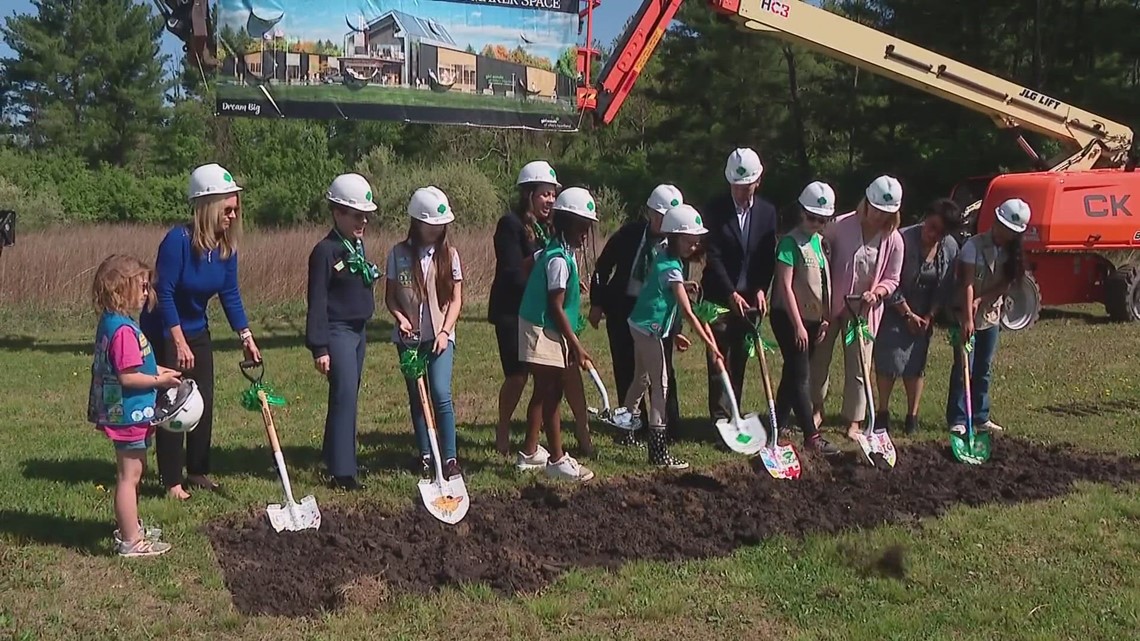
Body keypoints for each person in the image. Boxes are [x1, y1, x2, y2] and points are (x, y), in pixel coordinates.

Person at [141, 163, 262, 501]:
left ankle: (197, 470)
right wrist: (177, 341)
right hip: (164, 329)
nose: (234, 216)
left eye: (236, 209)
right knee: (173, 402)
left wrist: (246, 337)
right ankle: (171, 479)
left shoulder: (225, 248)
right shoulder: (177, 241)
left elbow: (230, 293)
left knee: (202, 401)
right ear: (208, 206)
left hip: (197, 329)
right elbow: (163, 293)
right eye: (228, 209)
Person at [488, 160, 592, 457]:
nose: (549, 200)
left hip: (542, 312)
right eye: (544, 193)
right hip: (513, 309)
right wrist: (544, 266)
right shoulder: (510, 225)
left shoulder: (549, 229)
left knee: (551, 380)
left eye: (552, 194)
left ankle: (541, 440)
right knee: (518, 376)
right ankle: (505, 427)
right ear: (528, 194)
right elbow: (511, 271)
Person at [88, 254, 182, 557]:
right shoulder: (124, 331)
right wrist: (158, 381)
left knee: (133, 473)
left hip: (124, 411)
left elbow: (131, 368)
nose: (146, 293)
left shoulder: (115, 322)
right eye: (141, 287)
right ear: (120, 290)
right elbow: (128, 377)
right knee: (130, 477)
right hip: (128, 412)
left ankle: (132, 528)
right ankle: (131, 541)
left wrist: (159, 372)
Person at [624, 204, 724, 469]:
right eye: (690, 242)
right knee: (661, 383)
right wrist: (711, 345)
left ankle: (625, 425)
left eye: (696, 242)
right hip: (648, 329)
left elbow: (665, 287)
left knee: (641, 378)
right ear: (676, 237)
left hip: (640, 323)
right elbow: (689, 313)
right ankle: (658, 450)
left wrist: (683, 285)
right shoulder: (671, 266)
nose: (694, 247)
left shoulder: (668, 258)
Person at [588, 184, 686, 448]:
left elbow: (678, 292)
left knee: (662, 371)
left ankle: (667, 426)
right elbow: (602, 267)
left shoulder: (677, 248)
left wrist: (676, 329)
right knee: (627, 369)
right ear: (650, 213)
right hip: (623, 308)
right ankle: (629, 426)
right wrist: (597, 302)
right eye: (660, 216)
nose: (664, 223)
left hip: (656, 314)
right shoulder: (629, 235)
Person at [809, 175, 904, 440]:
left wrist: (878, 293)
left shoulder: (894, 240)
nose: (879, 216)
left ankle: (854, 420)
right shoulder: (840, 225)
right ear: (866, 203)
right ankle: (816, 408)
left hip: (864, 311)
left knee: (860, 365)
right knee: (820, 359)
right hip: (832, 306)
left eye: (886, 213)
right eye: (875, 209)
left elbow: (893, 277)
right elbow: (819, 251)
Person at [515, 187, 599, 482]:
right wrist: (576, 345)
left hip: (541, 323)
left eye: (588, 227)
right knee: (551, 391)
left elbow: (527, 266)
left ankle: (528, 453)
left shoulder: (557, 251)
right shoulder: (559, 259)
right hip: (542, 327)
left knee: (543, 390)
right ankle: (557, 458)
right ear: (566, 223)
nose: (586, 234)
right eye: (582, 227)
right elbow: (556, 305)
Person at [304, 173, 380, 491]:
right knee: (345, 395)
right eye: (356, 215)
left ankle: (334, 454)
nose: (363, 221)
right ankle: (343, 472)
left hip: (358, 331)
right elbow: (317, 300)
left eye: (366, 215)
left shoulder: (355, 245)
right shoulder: (325, 251)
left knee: (347, 394)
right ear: (337, 212)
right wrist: (319, 346)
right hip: (337, 332)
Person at [386, 186, 464, 480]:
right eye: (431, 225)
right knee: (418, 397)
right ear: (417, 222)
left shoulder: (450, 256)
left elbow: (456, 299)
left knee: (441, 394)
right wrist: (399, 318)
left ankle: (450, 458)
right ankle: (426, 455)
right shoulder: (398, 254)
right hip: (408, 341)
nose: (437, 230)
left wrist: (445, 331)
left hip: (440, 339)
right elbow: (391, 296)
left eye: (441, 225)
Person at [701, 147, 778, 428]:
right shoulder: (715, 210)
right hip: (719, 296)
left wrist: (759, 288)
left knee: (741, 356)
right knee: (719, 356)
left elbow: (766, 256)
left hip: (750, 299)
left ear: (757, 181)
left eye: (746, 186)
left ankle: (735, 412)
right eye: (736, 186)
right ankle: (720, 417)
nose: (741, 192)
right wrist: (730, 292)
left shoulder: (768, 213)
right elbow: (714, 254)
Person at [873, 198, 962, 435]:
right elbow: (889, 278)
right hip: (896, 308)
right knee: (888, 361)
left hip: (925, 312)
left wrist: (929, 315)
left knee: (916, 364)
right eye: (931, 226)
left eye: (940, 232)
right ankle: (882, 412)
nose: (932, 234)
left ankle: (912, 417)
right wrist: (907, 314)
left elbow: (945, 286)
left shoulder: (951, 248)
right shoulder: (901, 239)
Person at [947, 197, 1031, 435]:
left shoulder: (1012, 253)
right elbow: (968, 283)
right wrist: (967, 318)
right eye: (1005, 228)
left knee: (983, 367)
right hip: (964, 313)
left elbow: (1005, 283)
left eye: (1013, 232)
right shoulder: (973, 246)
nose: (1007, 234)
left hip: (991, 315)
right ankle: (959, 418)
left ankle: (981, 416)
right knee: (965, 366)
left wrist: (982, 300)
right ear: (996, 221)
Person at [769, 182, 841, 455]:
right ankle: (812, 436)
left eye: (822, 219)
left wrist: (824, 319)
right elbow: (785, 285)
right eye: (811, 217)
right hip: (788, 317)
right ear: (801, 213)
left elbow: (823, 283)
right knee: (801, 374)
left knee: (793, 372)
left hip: (812, 319)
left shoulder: (820, 243)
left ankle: (778, 423)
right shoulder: (790, 242)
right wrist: (798, 324)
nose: (816, 223)